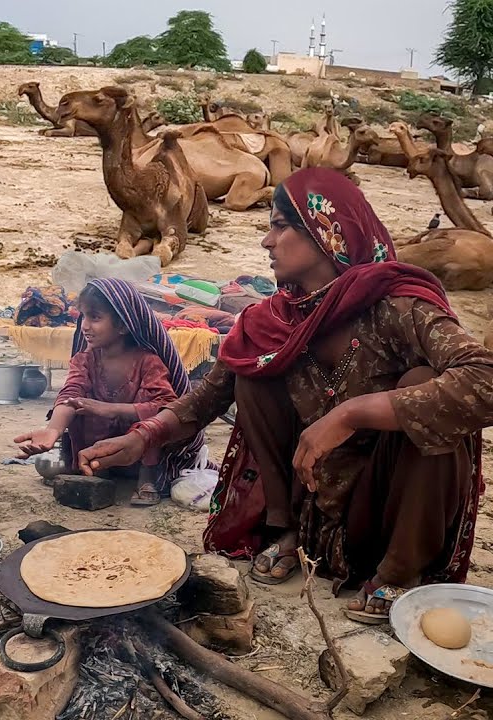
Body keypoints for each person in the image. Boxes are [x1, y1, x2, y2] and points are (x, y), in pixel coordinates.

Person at [77, 168, 493, 623]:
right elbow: (206, 398)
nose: (266, 242)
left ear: (326, 232)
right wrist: (142, 438)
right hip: (313, 501)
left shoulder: (397, 307)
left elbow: (484, 380)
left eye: (279, 226)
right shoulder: (270, 319)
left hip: (385, 504)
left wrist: (353, 413)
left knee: (420, 381)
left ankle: (399, 571)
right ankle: (287, 532)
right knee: (250, 367)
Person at [13, 278, 205, 506]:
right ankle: (88, 465)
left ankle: (147, 477)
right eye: (83, 316)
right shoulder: (84, 359)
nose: (84, 326)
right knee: (80, 405)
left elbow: (167, 406)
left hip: (136, 449)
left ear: (124, 325)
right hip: (98, 447)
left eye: (95, 317)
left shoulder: (148, 361)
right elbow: (71, 393)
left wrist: (110, 409)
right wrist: (53, 429)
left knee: (152, 414)